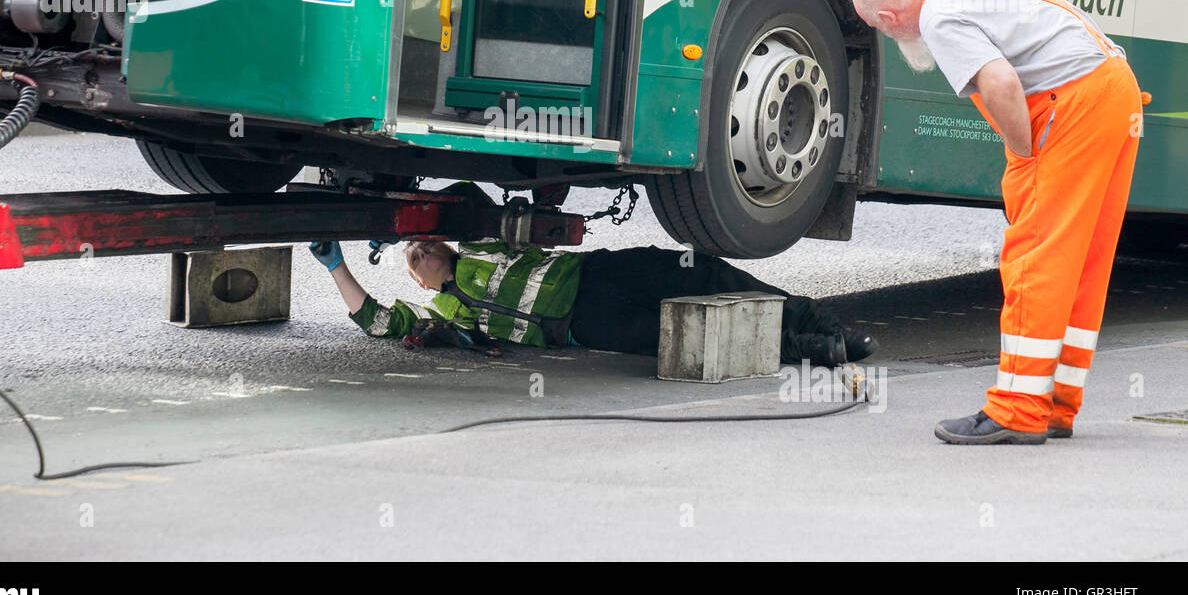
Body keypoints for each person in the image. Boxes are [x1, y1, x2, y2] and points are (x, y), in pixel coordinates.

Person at [852, 0, 1144, 445]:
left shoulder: (938, 15)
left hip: (1072, 106)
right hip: (1116, 93)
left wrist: (1026, 157)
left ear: (886, 20)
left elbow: (1003, 84)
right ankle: (1054, 403)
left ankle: (1017, 410)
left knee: (1036, 255)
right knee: (1083, 261)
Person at [310, 240, 876, 367]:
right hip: (584, 322)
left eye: (422, 243)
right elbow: (379, 322)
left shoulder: (476, 235)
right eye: (413, 258)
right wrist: (338, 266)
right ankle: (810, 350)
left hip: (596, 271)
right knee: (681, 334)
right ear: (421, 287)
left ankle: (815, 318)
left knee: (701, 272)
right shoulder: (446, 315)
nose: (422, 251)